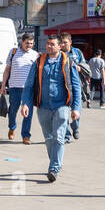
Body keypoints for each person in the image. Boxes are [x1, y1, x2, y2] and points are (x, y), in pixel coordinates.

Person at [20, 35, 81, 182]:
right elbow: (29, 86)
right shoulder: (38, 62)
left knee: (59, 137)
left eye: (52, 44)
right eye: (47, 44)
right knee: (48, 138)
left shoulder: (68, 62)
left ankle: (54, 168)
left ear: (60, 46)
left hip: (62, 106)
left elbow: (76, 86)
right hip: (43, 106)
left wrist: (76, 108)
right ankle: (55, 160)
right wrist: (25, 103)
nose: (49, 46)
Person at [0, 32, 39, 142]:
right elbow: (7, 69)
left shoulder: (35, 54)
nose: (29, 45)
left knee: (28, 112)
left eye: (31, 43)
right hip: (14, 87)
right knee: (13, 110)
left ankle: (26, 136)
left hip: (28, 88)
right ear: (22, 42)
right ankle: (12, 127)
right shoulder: (13, 52)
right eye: (27, 43)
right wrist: (3, 85)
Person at [59, 33, 85, 141]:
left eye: (65, 42)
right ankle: (67, 135)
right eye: (61, 42)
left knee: (76, 109)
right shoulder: (58, 53)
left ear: (70, 42)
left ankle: (75, 127)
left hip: (76, 84)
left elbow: (85, 65)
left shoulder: (77, 52)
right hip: (63, 85)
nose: (63, 44)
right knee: (63, 112)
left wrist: (80, 67)